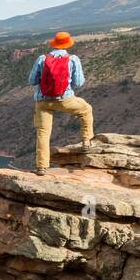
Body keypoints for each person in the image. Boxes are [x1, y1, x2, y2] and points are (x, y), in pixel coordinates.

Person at [28, 31, 93, 176]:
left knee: (43, 133)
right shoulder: (73, 59)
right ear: (67, 44)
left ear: (54, 43)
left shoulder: (42, 59)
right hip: (65, 100)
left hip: (43, 101)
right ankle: (86, 141)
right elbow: (78, 83)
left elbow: (32, 81)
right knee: (86, 110)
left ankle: (41, 167)